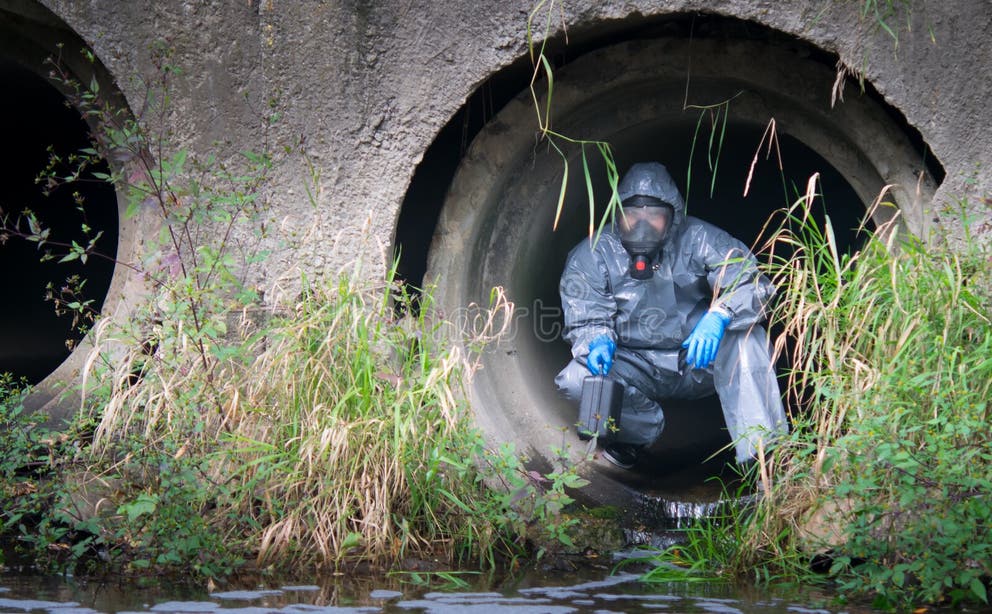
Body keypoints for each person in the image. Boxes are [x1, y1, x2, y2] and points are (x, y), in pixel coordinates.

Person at [555, 161, 788, 469]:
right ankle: (636, 434)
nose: (642, 225)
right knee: (575, 378)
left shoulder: (700, 238)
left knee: (748, 338)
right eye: (632, 215)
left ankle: (763, 457)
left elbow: (752, 282)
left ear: (672, 218)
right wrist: (596, 340)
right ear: (617, 215)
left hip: (697, 358)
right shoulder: (593, 253)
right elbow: (585, 315)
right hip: (633, 364)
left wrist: (720, 314)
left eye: (654, 215)